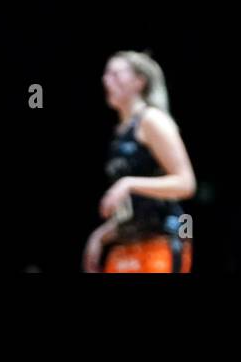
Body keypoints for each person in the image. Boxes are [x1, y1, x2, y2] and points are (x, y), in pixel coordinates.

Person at [83, 51, 196, 273]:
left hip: (160, 243)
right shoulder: (120, 133)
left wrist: (128, 183)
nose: (106, 79)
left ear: (139, 81)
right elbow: (139, 206)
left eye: (115, 74)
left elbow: (186, 183)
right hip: (126, 247)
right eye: (106, 74)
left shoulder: (153, 120)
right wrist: (102, 234)